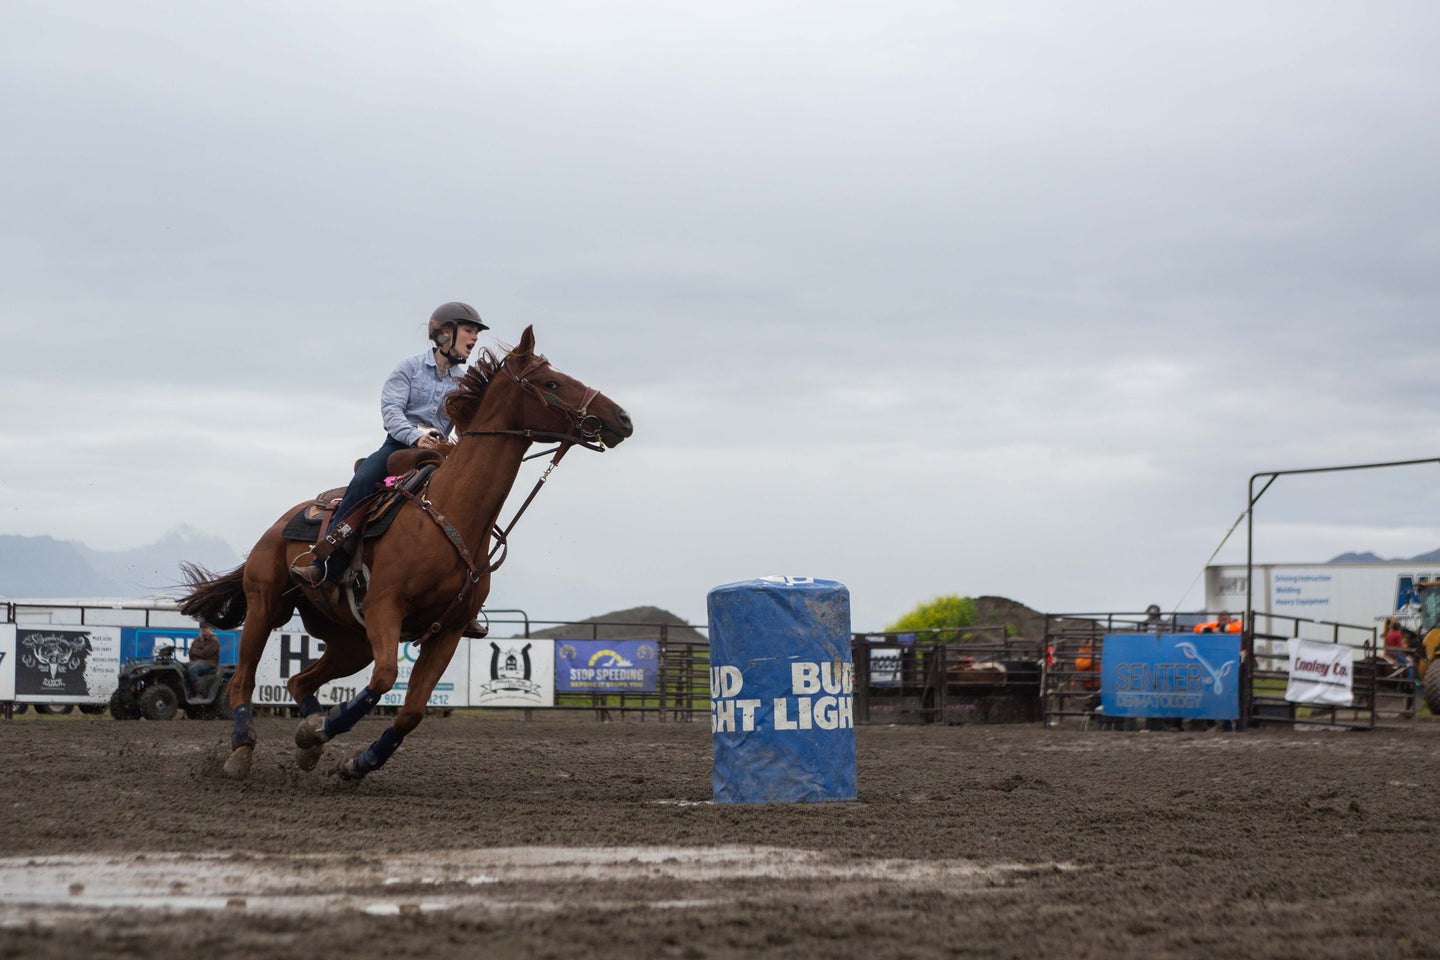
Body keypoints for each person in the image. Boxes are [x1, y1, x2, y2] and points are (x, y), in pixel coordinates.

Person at [291, 302, 487, 587]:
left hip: (438, 455)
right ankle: (323, 565)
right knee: (362, 481)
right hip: (399, 448)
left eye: (476, 333)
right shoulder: (409, 367)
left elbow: (466, 426)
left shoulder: (464, 383)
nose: (475, 338)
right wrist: (415, 437)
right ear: (446, 333)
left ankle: (463, 584)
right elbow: (392, 411)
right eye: (469, 330)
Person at [187, 623, 220, 692]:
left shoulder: (213, 640)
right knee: (181, 667)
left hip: (209, 663)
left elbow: (205, 654)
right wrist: (195, 653)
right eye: (202, 628)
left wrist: (194, 652)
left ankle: (200, 691)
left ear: (209, 628)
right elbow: (190, 652)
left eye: (205, 627)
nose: (204, 629)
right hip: (196, 662)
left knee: (192, 669)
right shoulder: (197, 640)